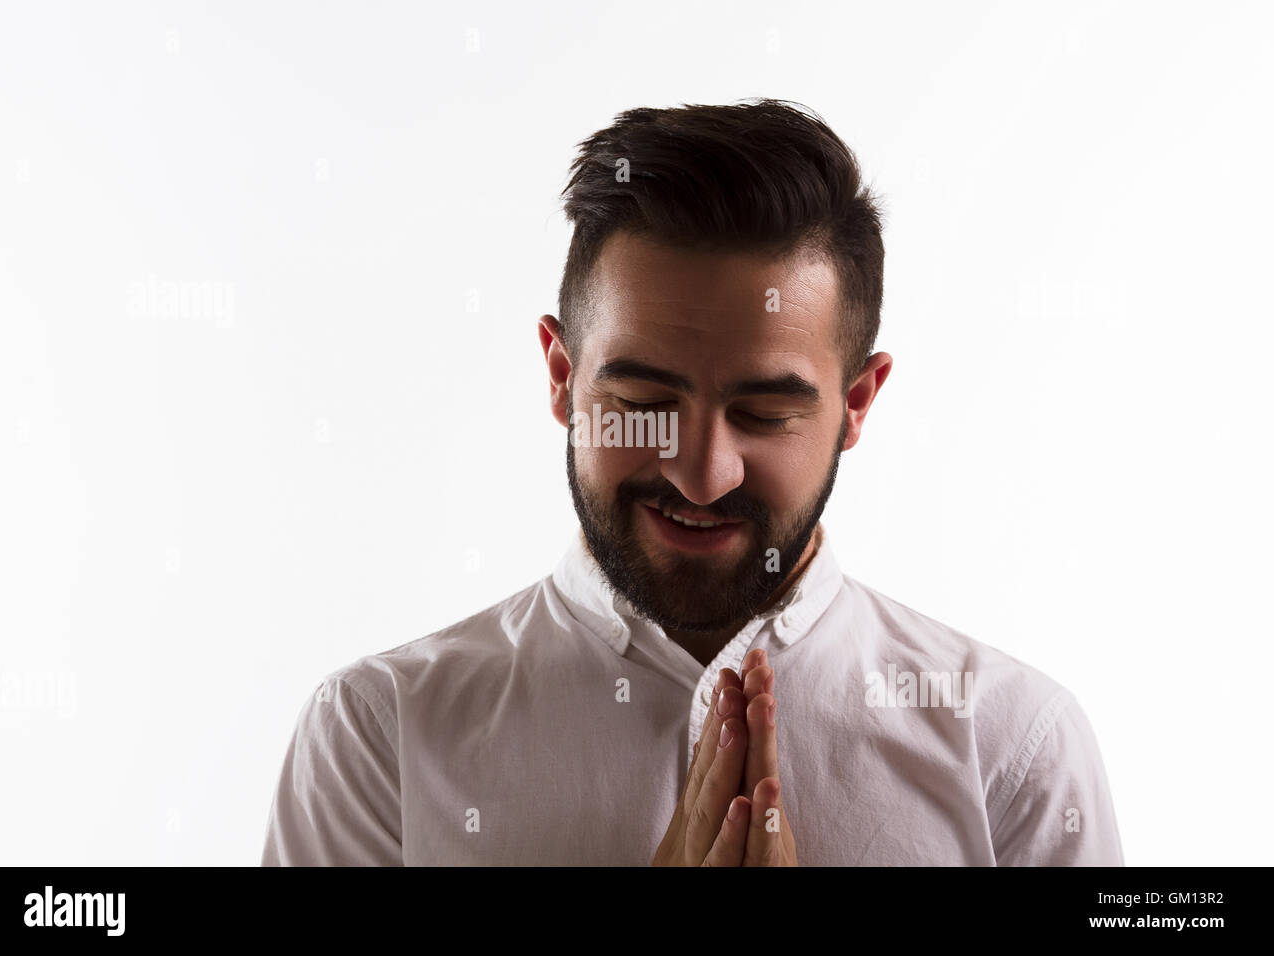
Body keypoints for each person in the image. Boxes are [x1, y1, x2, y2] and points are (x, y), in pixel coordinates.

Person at [261, 99, 1123, 866]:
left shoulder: (1013, 744)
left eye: (764, 412)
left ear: (857, 404)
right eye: (643, 401)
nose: (702, 474)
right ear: (561, 377)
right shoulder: (378, 738)